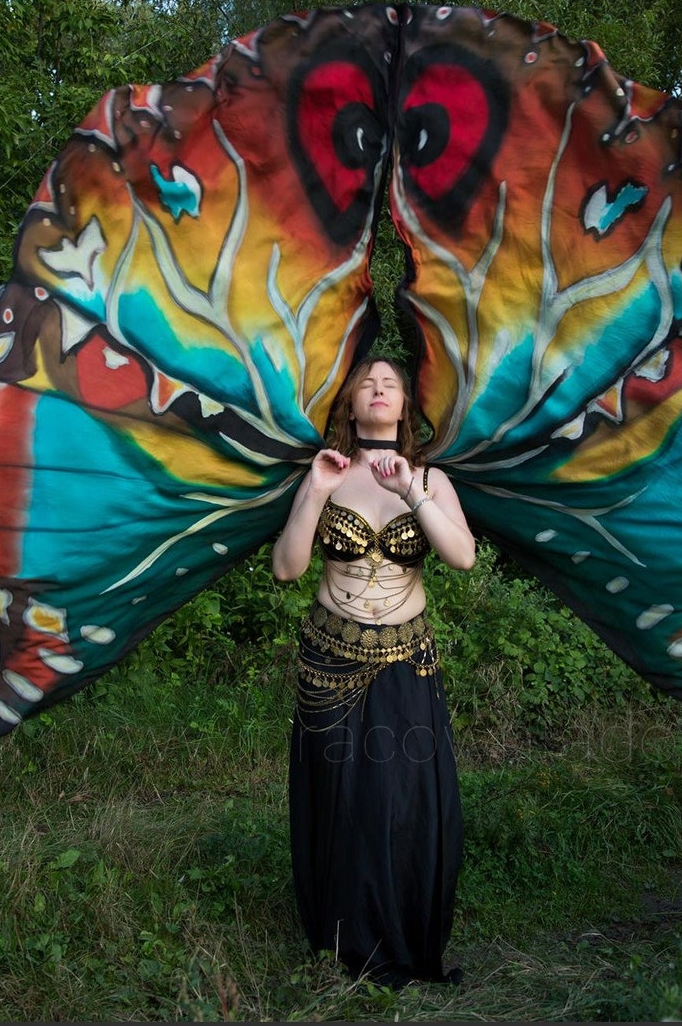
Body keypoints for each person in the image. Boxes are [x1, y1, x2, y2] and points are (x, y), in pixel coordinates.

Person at [271, 357, 477, 987]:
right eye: (366, 382)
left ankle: (404, 934)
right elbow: (286, 568)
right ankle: (343, 939)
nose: (379, 388)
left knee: (404, 801)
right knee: (341, 800)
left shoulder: (431, 479)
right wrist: (314, 489)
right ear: (350, 405)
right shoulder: (325, 476)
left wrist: (411, 492)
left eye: (390, 382)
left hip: (405, 663)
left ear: (406, 404)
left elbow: (462, 557)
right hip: (330, 661)